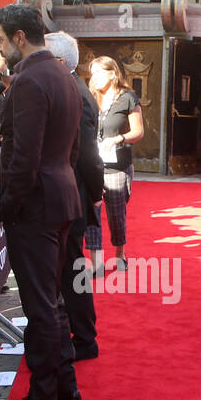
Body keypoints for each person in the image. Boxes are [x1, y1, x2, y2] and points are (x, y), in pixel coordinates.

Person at [0, 3, 83, 400]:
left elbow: (21, 157)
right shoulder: (62, 74)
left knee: (40, 305)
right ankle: (66, 390)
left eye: (1, 40)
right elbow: (72, 147)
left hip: (36, 206)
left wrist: (4, 208)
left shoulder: (27, 80)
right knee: (53, 301)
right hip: (61, 197)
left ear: (20, 38)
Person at [45, 31, 104, 361]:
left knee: (71, 268)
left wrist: (95, 192)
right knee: (68, 267)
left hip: (74, 194)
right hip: (73, 192)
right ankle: (78, 333)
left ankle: (84, 337)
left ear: (60, 61)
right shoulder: (73, 89)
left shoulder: (76, 94)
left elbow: (86, 155)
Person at [85, 56, 142, 276]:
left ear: (112, 73)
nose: (95, 78)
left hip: (117, 166)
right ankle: (97, 263)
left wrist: (118, 139)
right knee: (92, 213)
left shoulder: (127, 98)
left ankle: (120, 254)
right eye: (93, 73)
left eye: (100, 73)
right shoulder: (89, 97)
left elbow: (138, 132)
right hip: (92, 165)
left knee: (117, 214)